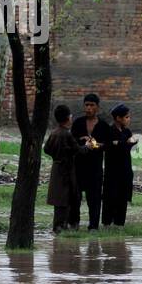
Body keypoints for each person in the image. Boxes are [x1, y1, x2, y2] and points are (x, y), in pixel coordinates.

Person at [71, 93, 113, 230]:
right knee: (75, 197)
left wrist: (99, 145)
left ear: (97, 108)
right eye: (86, 105)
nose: (88, 108)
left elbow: (109, 145)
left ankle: (93, 226)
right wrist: (81, 141)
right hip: (78, 166)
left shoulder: (104, 126)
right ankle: (74, 223)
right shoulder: (78, 123)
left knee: (94, 198)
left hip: (95, 168)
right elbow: (71, 142)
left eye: (92, 105)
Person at [44, 104, 80, 232]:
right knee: (66, 199)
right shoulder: (67, 134)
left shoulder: (54, 133)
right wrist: (88, 146)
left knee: (59, 199)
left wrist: (57, 155)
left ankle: (58, 226)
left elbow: (47, 149)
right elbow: (78, 150)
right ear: (68, 118)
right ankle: (62, 227)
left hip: (57, 169)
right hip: (67, 170)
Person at [102, 104, 135, 227]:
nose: (128, 119)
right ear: (118, 118)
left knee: (122, 197)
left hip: (125, 170)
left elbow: (128, 144)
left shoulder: (127, 131)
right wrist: (121, 144)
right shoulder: (110, 131)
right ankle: (107, 223)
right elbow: (109, 146)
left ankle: (119, 224)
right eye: (126, 117)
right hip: (113, 171)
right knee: (111, 197)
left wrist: (119, 144)